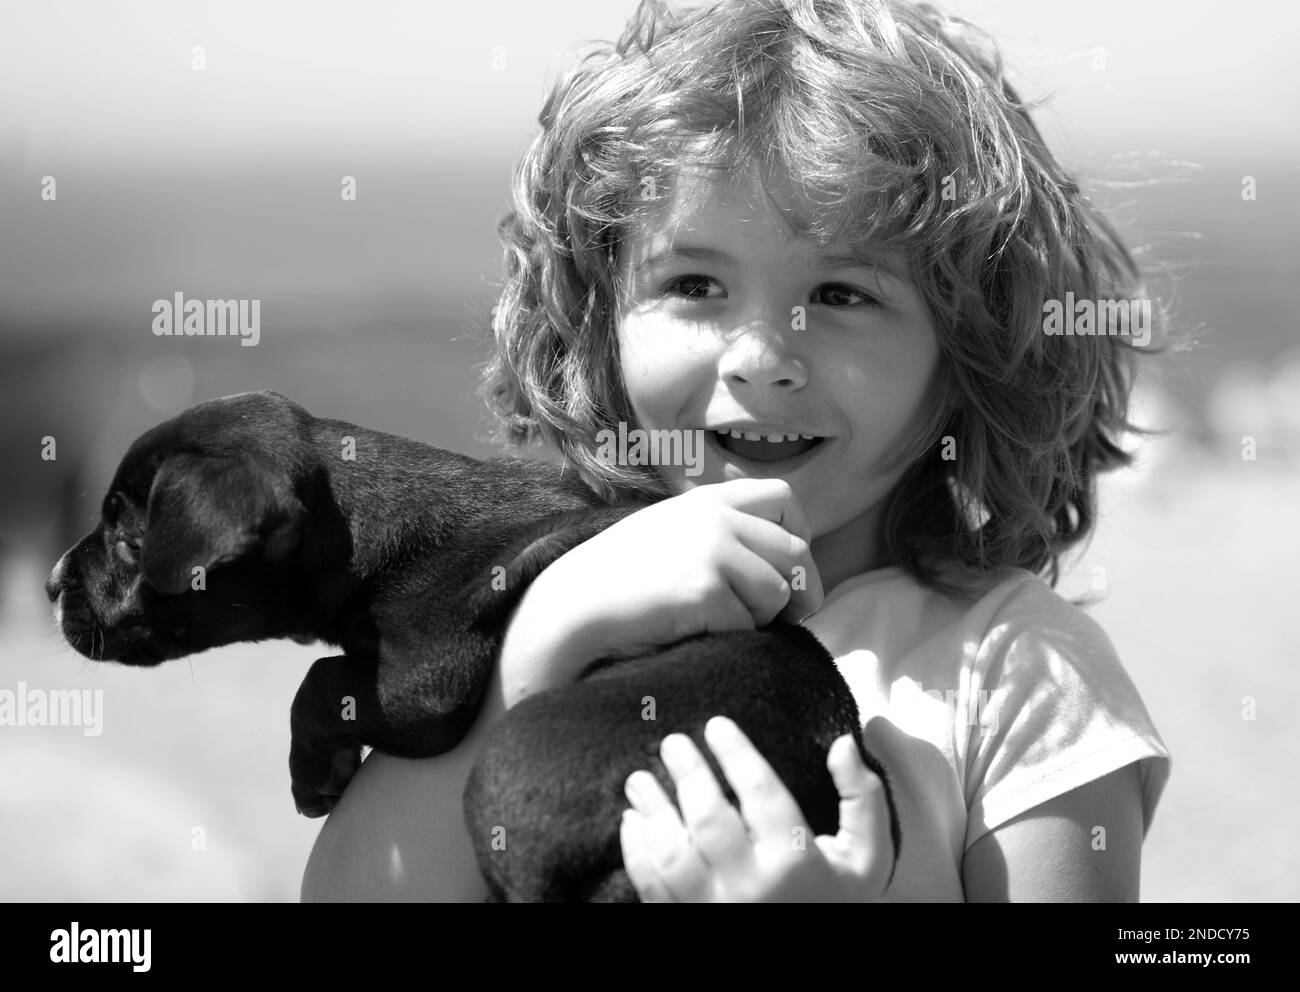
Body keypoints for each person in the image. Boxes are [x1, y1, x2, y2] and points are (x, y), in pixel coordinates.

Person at [301, 0, 1172, 902]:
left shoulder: (1019, 669)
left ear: (969, 353)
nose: (760, 359)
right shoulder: (526, 600)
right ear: (600, 330)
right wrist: (531, 658)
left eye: (841, 294)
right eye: (694, 285)